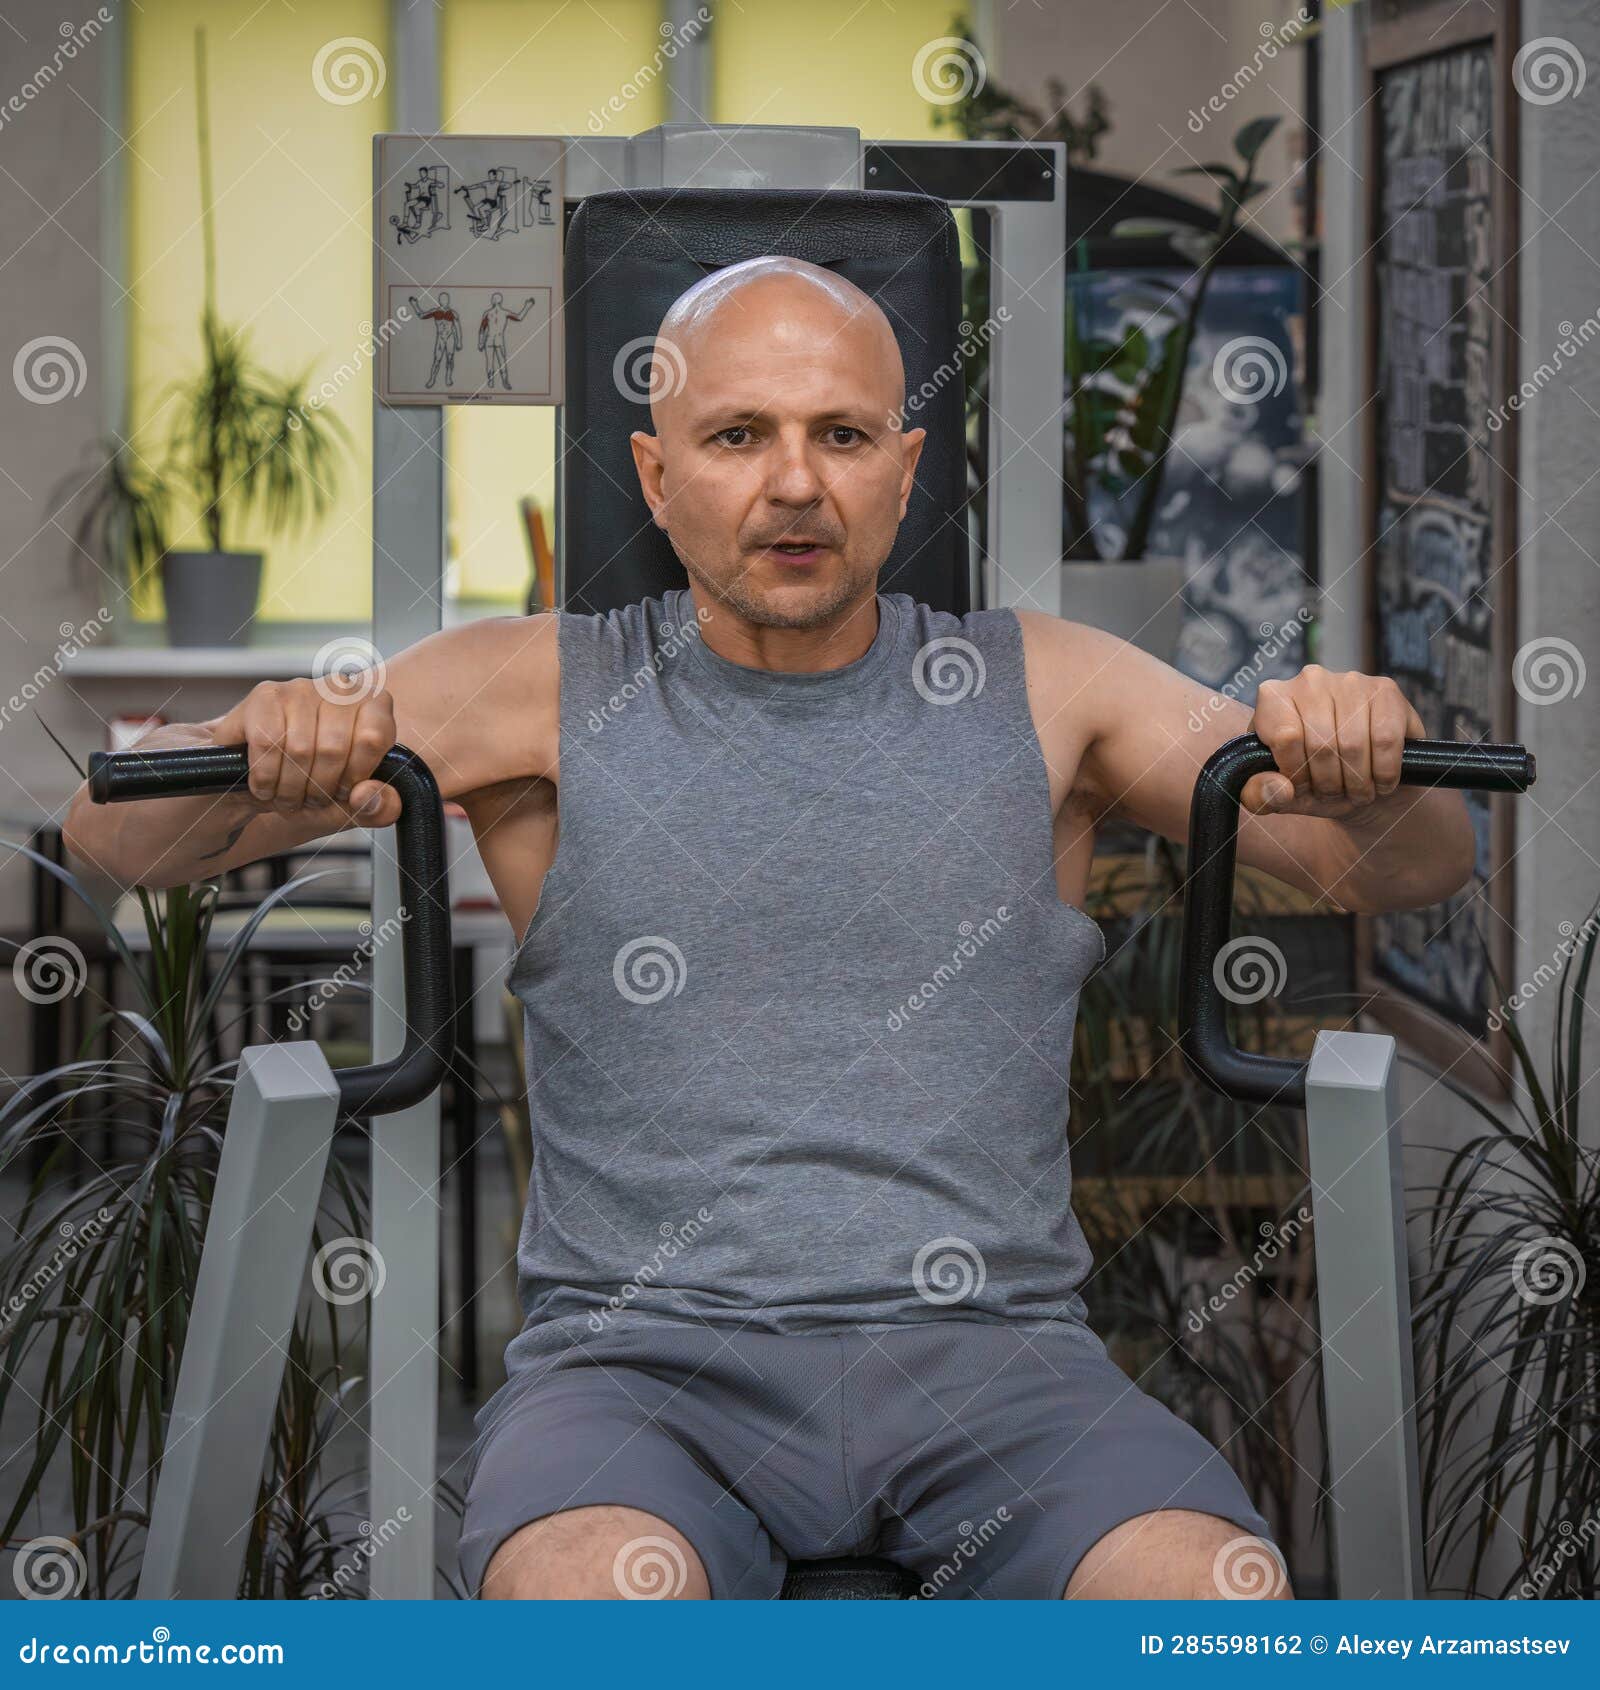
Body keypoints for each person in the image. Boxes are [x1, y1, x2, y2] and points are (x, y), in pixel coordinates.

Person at [63, 257, 1472, 1603]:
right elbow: (115, 840)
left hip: (998, 1368)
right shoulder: (536, 688)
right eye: (738, 434)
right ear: (657, 477)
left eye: (842, 433)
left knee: (1208, 1595)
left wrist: (1373, 754)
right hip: (639, 1374)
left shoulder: (1050, 689)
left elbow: (1404, 865)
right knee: (586, 1605)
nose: (795, 481)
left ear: (904, 472)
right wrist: (260, 741)